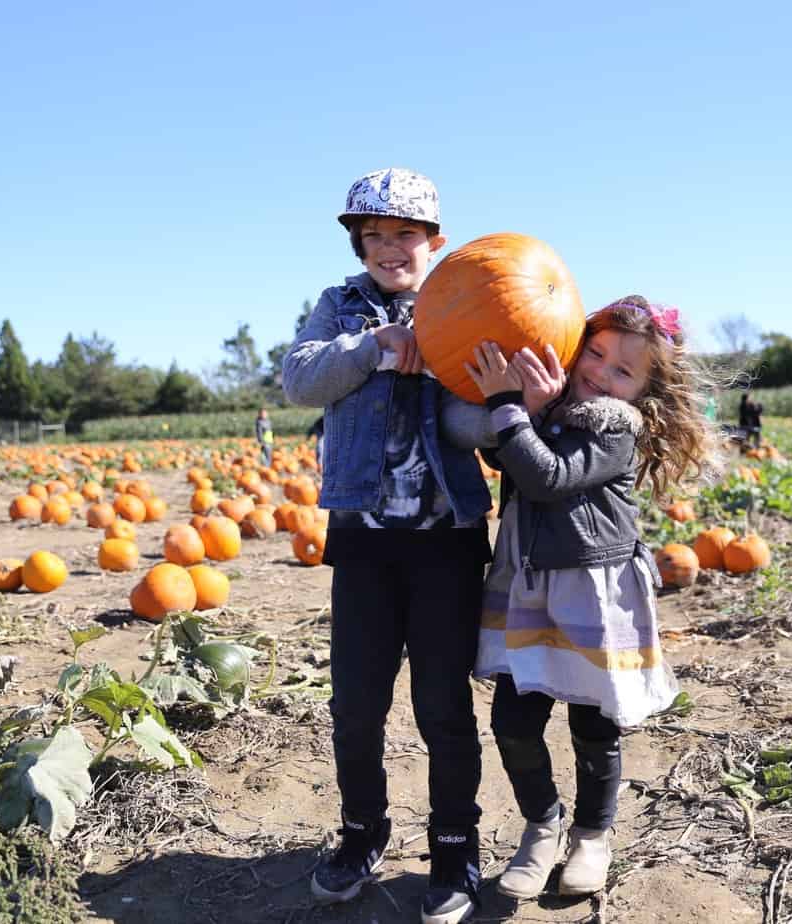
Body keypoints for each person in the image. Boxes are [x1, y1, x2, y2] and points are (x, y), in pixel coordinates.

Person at [282, 167, 496, 924]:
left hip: (447, 540)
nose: (388, 247)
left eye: (404, 234)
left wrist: (491, 390)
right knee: (356, 705)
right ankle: (362, 832)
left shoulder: (466, 301)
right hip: (363, 538)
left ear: (433, 241)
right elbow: (299, 378)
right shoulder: (340, 307)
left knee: (443, 706)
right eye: (373, 235)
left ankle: (453, 844)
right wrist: (378, 344)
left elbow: (485, 411)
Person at [465, 296, 718, 902]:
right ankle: (542, 824)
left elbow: (546, 475)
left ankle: (592, 836)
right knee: (513, 722)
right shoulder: (553, 409)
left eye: (623, 371)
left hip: (596, 594)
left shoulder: (613, 429)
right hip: (531, 585)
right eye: (596, 353)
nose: (600, 373)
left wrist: (509, 406)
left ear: (643, 391)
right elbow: (502, 451)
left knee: (594, 729)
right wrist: (523, 406)